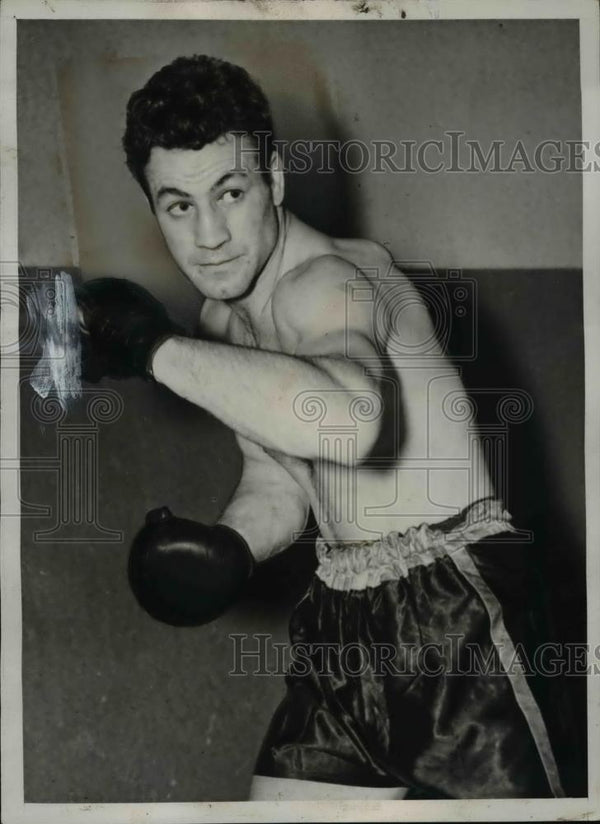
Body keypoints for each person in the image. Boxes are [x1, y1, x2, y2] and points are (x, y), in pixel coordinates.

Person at [78, 55, 565, 800]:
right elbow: (283, 472)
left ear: (273, 180)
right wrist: (230, 547)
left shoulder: (329, 281)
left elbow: (348, 420)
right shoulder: (224, 318)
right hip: (345, 620)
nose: (209, 235)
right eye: (179, 206)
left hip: (455, 615)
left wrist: (155, 348)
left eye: (230, 193)